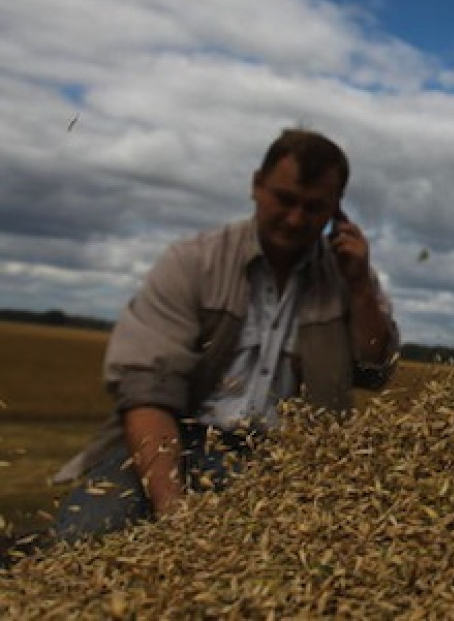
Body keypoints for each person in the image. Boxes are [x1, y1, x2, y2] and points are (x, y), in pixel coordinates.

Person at [50, 128, 399, 540]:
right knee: (84, 538)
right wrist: (174, 516)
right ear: (256, 185)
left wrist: (359, 286)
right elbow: (146, 390)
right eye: (285, 199)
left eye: (313, 207)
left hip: (294, 460)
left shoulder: (347, 278)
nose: (295, 219)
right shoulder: (194, 262)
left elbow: (375, 370)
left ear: (336, 212)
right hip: (177, 443)